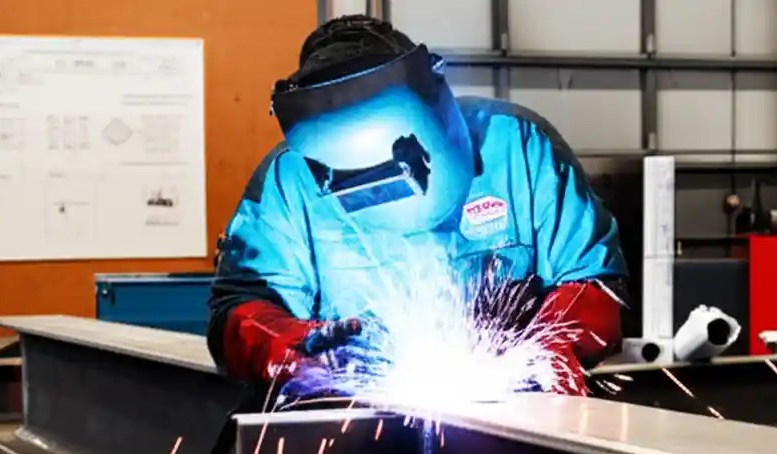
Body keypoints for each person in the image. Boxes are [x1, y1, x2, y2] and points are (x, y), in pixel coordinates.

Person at [207, 14, 628, 396]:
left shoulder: (517, 146)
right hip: (355, 428)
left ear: (433, 106)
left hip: (521, 417)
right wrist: (292, 345)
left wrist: (546, 349)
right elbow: (237, 313)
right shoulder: (289, 181)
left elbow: (596, 282)